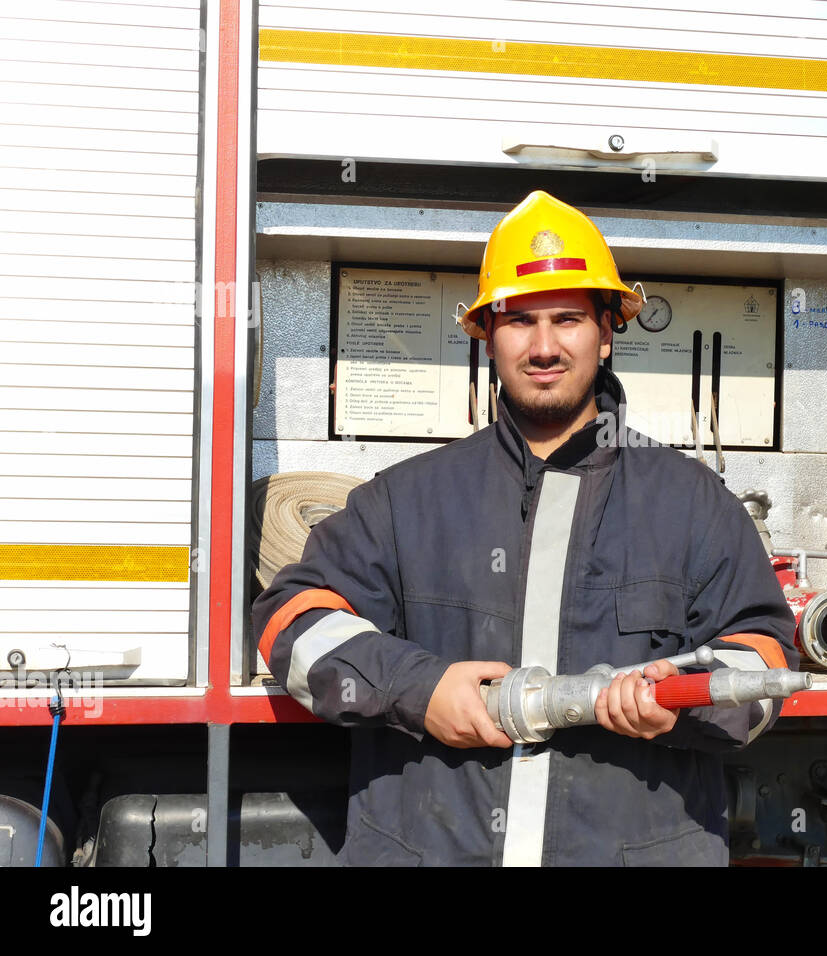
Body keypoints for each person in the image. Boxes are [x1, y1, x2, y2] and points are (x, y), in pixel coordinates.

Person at [251, 190, 798, 866]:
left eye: (568, 318)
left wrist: (678, 709)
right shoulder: (404, 500)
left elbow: (766, 658)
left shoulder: (693, 504)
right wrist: (418, 691)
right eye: (519, 322)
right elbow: (292, 624)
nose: (544, 346)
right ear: (487, 336)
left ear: (606, 330)